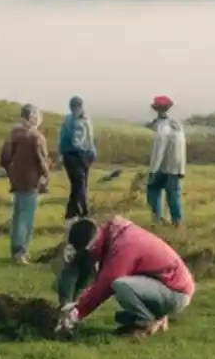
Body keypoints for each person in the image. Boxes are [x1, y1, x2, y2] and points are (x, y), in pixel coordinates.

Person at [55, 215, 194, 338]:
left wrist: (78, 312)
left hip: (176, 292)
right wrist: (78, 305)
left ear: (91, 247)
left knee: (120, 285)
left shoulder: (125, 245)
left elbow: (106, 282)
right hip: (167, 285)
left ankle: (145, 324)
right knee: (121, 316)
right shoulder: (115, 235)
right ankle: (156, 317)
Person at [0, 104, 50, 265]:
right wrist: (46, 175)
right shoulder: (37, 137)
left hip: (16, 179)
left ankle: (15, 249)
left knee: (17, 215)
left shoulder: (13, 134)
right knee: (26, 217)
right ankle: (20, 252)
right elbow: (42, 162)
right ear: (33, 117)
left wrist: (12, 171)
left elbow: (4, 159)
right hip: (31, 180)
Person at [146, 95, 187, 227]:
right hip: (177, 165)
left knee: (153, 190)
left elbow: (160, 149)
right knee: (173, 194)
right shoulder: (177, 124)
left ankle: (156, 220)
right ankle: (176, 222)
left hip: (163, 165)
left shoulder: (162, 126)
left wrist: (153, 169)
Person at [58, 96, 97, 221]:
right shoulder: (71, 121)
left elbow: (89, 138)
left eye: (77, 107)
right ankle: (74, 213)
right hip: (72, 155)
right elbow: (74, 141)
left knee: (82, 184)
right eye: (73, 107)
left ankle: (82, 212)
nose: (75, 110)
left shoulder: (85, 120)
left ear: (81, 107)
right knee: (79, 183)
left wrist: (92, 151)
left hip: (83, 155)